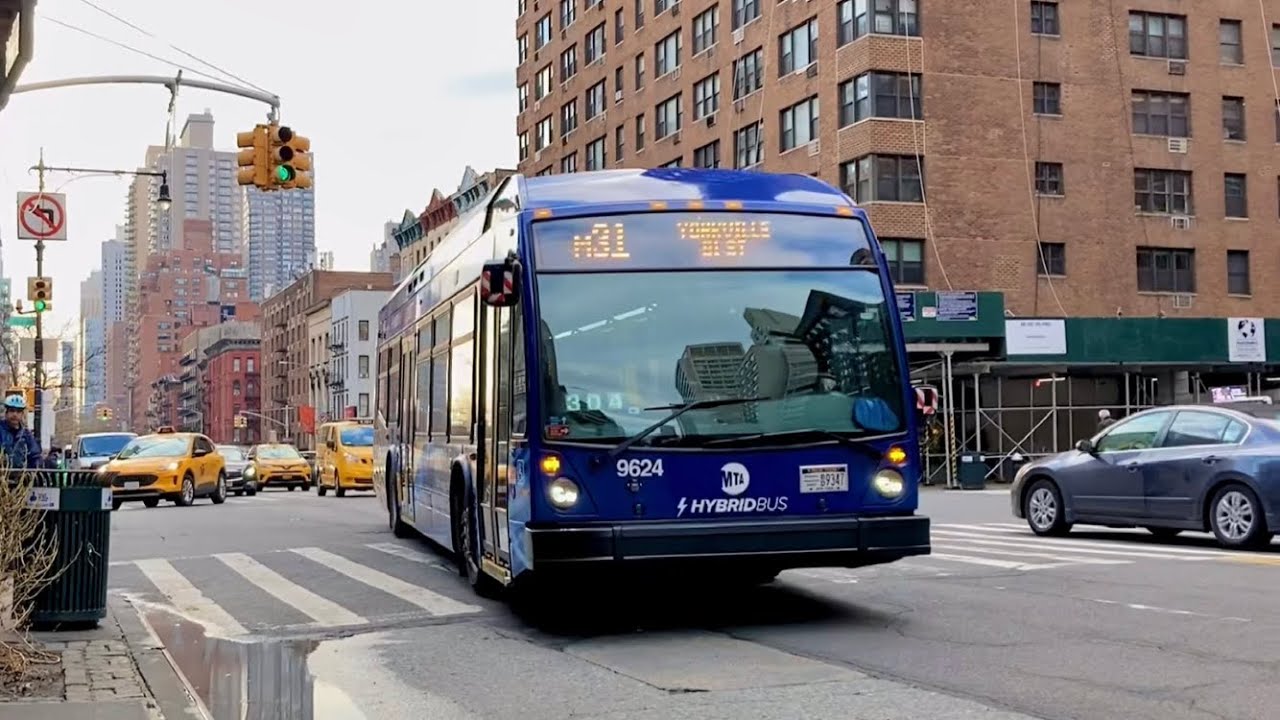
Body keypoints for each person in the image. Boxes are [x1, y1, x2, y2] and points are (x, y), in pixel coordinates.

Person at [0, 394, 42, 469]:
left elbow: (35, 455)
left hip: (21, 477)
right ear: (6, 412)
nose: (15, 414)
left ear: (22, 414)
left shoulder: (27, 435)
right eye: (12, 411)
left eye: (18, 411)